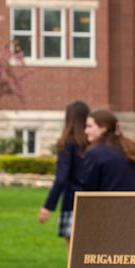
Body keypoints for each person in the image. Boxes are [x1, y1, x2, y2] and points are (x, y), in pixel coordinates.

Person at [38, 101, 90, 238]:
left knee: (73, 254)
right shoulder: (94, 144)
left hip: (72, 202)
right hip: (94, 202)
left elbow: (61, 177)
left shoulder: (68, 144)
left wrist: (48, 206)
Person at [78, 110, 135, 193]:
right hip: (134, 205)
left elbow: (87, 191)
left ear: (103, 128)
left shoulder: (94, 153)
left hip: (106, 205)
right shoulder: (132, 149)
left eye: (89, 126)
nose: (86, 131)